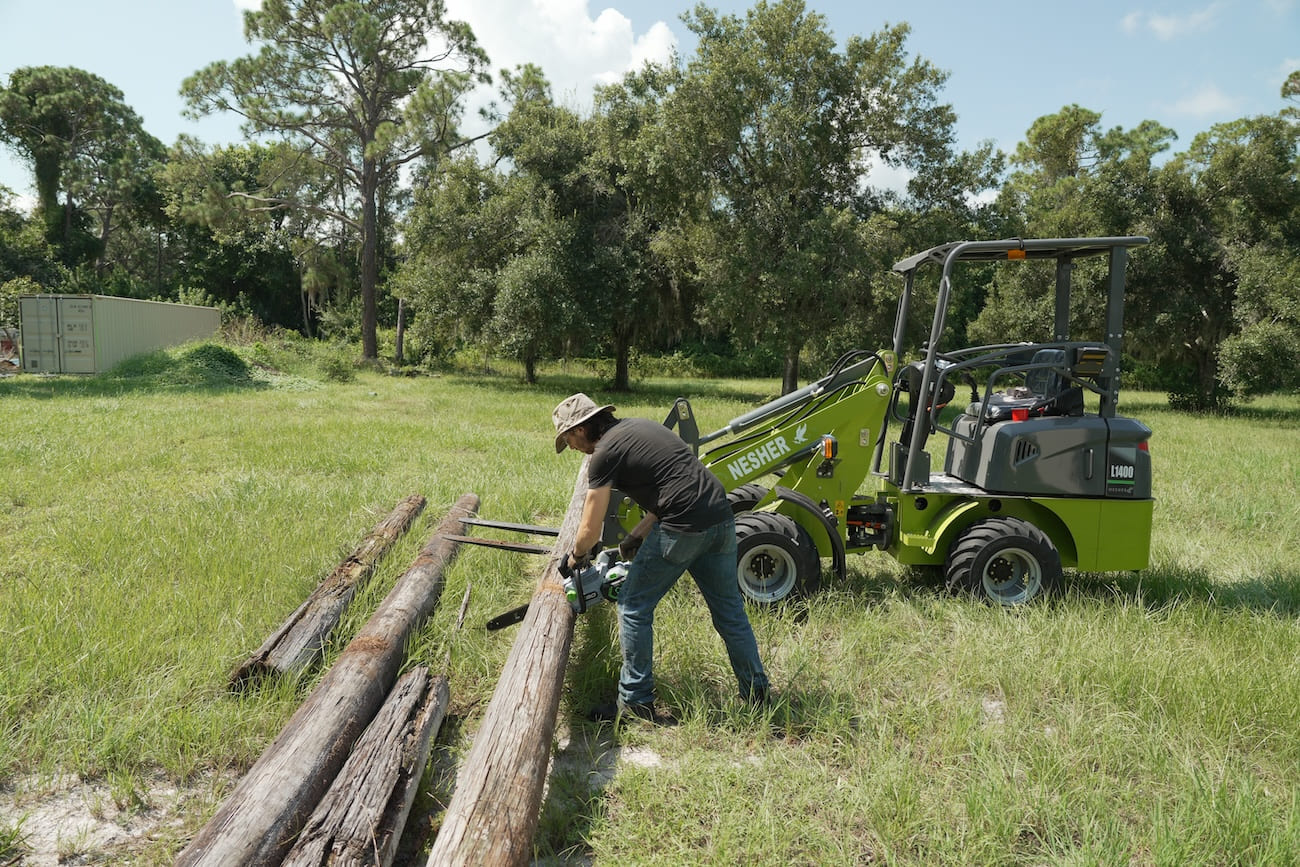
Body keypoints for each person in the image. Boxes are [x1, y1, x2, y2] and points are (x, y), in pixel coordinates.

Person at [552, 392, 770, 723]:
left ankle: (635, 704)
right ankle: (758, 696)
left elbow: (590, 528)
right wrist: (640, 531)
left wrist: (575, 558)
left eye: (568, 438)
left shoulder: (604, 453)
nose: (570, 447)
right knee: (730, 612)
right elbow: (678, 482)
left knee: (632, 606)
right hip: (720, 517)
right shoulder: (640, 427)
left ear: (580, 430)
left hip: (684, 526)